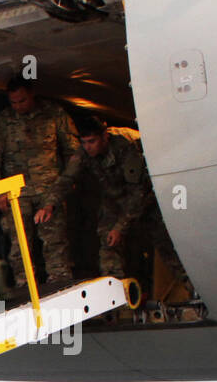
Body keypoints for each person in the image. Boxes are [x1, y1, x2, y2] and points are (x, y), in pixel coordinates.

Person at [54, 115, 192, 298]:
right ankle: (116, 302)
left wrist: (120, 227)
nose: (88, 147)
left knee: (169, 248)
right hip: (115, 200)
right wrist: (48, 205)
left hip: (147, 199)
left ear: (104, 137)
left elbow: (137, 195)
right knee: (108, 248)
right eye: (84, 142)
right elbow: (67, 178)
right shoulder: (84, 151)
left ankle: (198, 292)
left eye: (92, 141)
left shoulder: (125, 146)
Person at [0, 76, 78, 291]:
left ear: (32, 94)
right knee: (19, 243)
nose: (18, 106)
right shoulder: (3, 122)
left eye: (22, 101)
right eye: (14, 102)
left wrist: (65, 185)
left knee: (54, 240)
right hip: (17, 192)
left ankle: (59, 282)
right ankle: (24, 286)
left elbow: (74, 153)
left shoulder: (54, 114)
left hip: (49, 189)